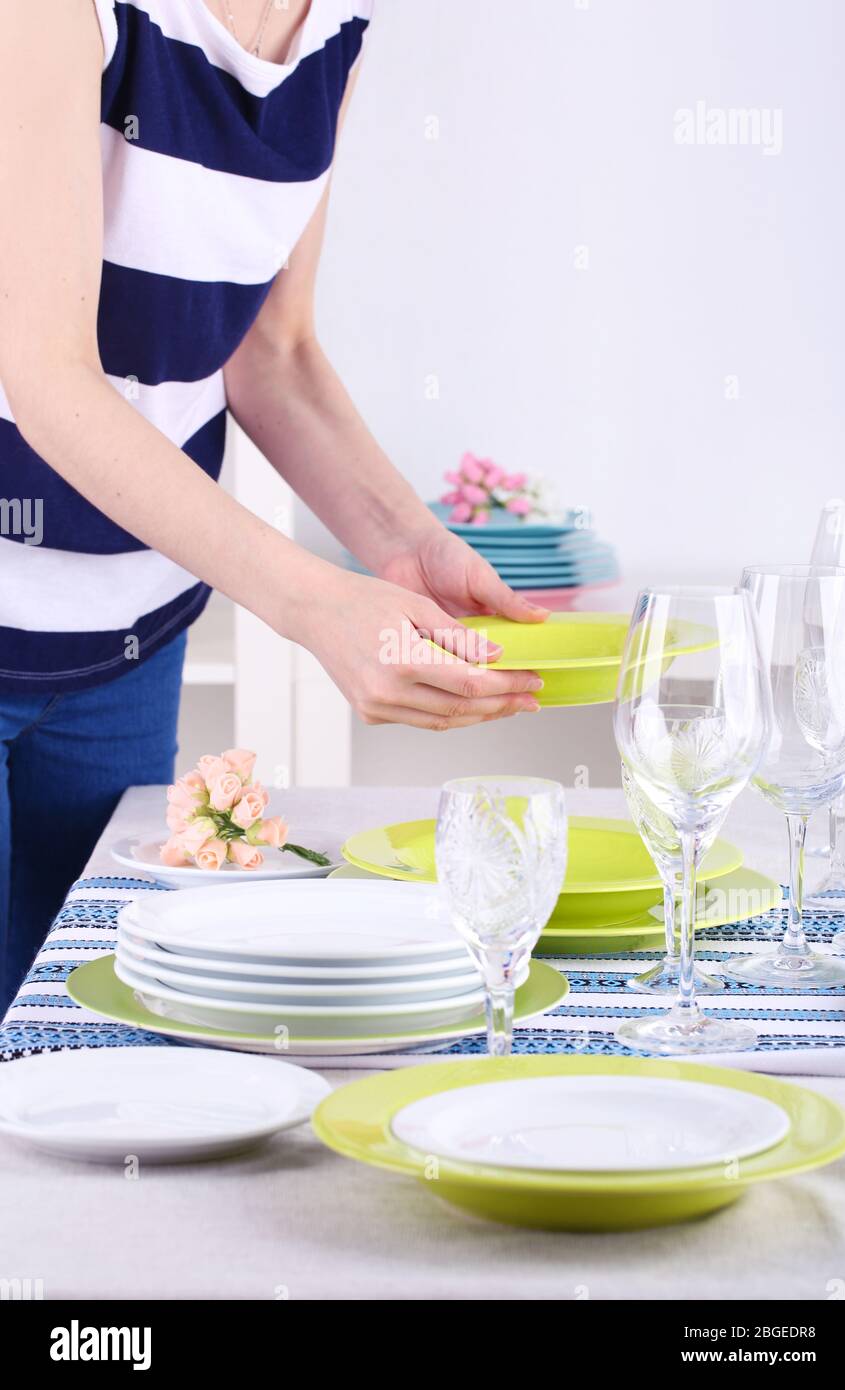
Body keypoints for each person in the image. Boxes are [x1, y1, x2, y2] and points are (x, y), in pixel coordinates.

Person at [0, 0, 545, 1010]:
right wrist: (316, 605)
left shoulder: (334, 27)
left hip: (128, 643)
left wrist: (404, 546)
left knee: (73, 1034)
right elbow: (46, 378)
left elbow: (272, 351)